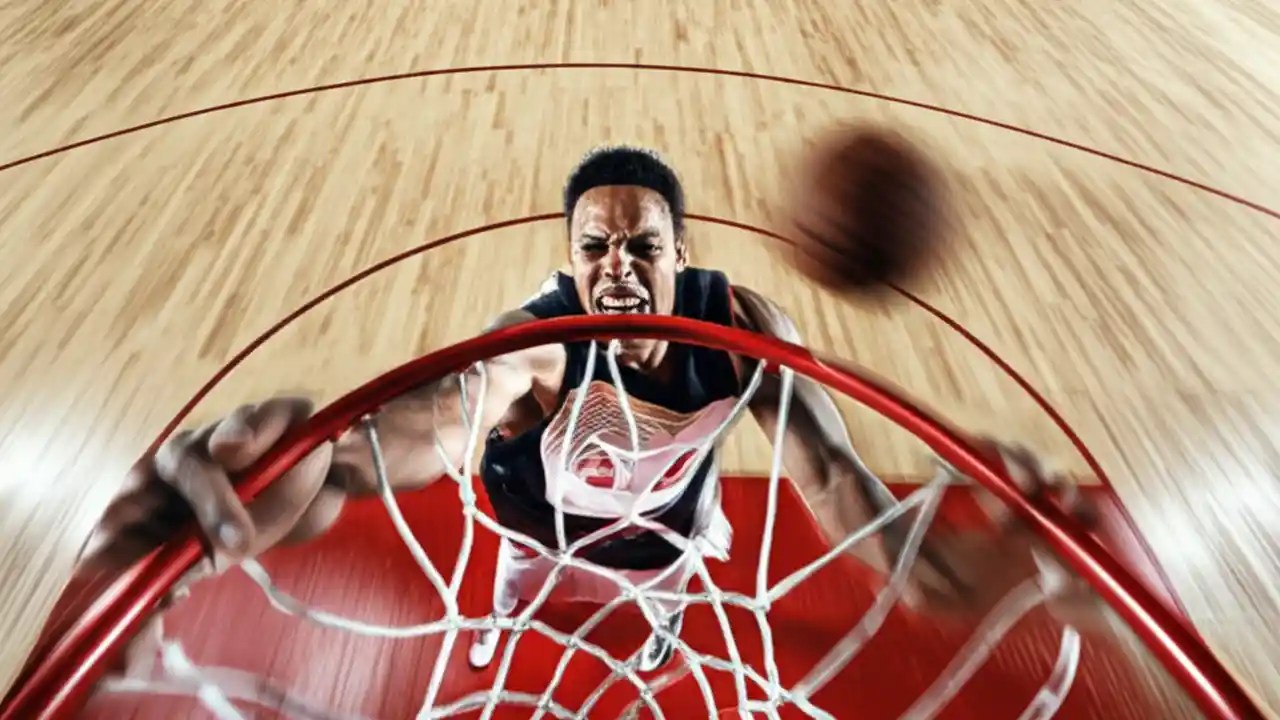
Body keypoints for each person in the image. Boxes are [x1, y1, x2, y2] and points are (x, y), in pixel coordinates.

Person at [77, 145, 1102, 678]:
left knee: (663, 604)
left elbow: (836, 485)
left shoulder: (744, 329)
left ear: (679, 255)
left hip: (661, 538)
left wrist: (971, 569)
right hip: (534, 525)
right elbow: (426, 429)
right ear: (569, 262)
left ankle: (656, 628)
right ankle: (503, 617)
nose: (616, 269)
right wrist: (306, 473)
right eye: (594, 249)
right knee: (510, 587)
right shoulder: (530, 351)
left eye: (641, 247)